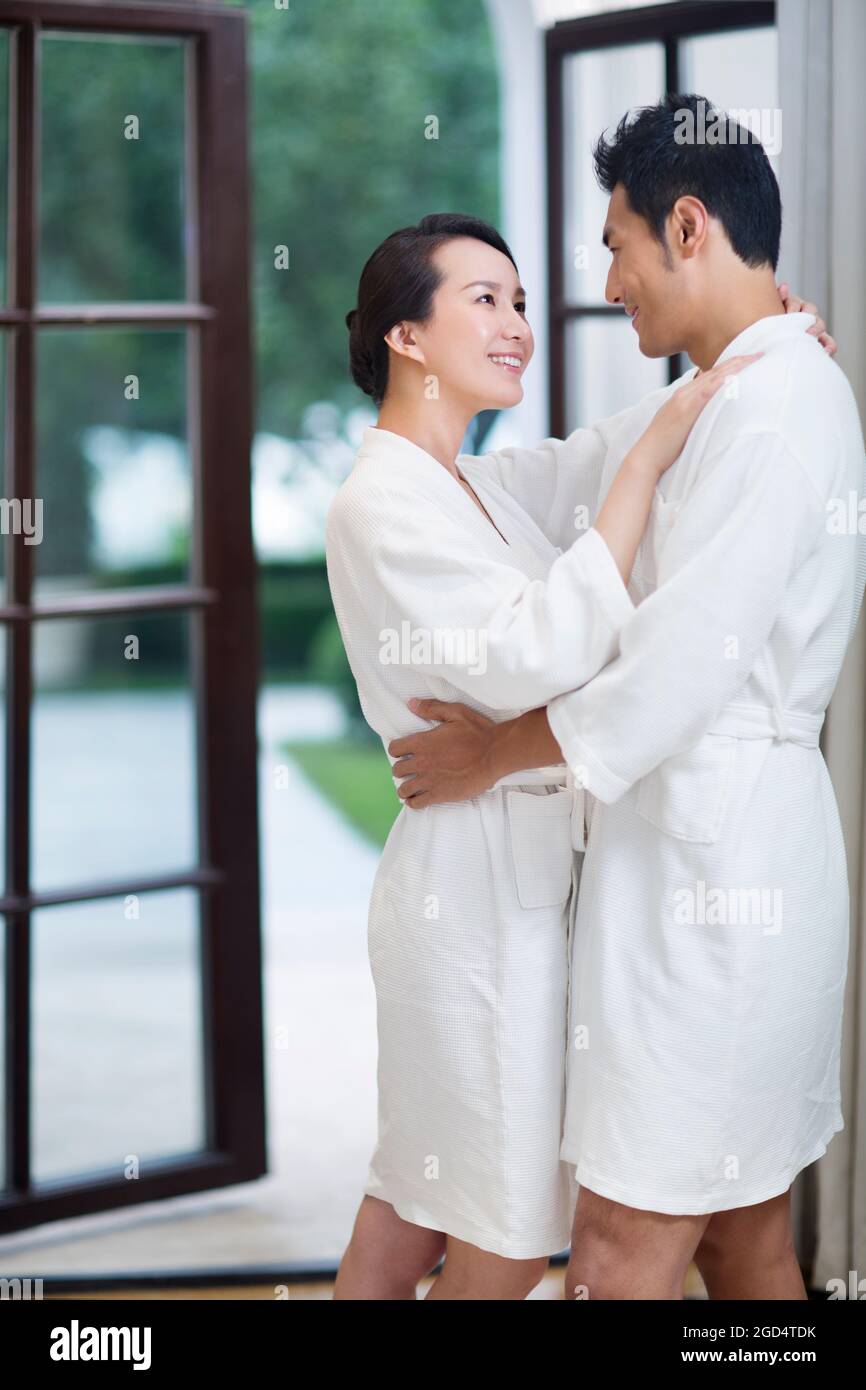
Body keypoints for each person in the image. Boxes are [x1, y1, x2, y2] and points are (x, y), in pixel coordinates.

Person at [388, 95, 866, 1300]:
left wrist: (489, 754)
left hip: (719, 884)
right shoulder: (723, 390)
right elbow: (551, 485)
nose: (605, 281)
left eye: (614, 243)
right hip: (703, 862)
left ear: (687, 226)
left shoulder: (776, 405)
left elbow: (677, 662)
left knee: (615, 1252)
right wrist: (406, 441)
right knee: (740, 1236)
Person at [326, 211, 760, 1300]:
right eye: (483, 299)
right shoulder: (381, 502)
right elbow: (534, 649)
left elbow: (591, 456)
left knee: (418, 1196)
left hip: (508, 888)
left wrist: (748, 346)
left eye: (519, 301)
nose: (516, 323)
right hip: (465, 903)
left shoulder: (469, 483)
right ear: (404, 337)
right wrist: (655, 453)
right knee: (502, 1227)